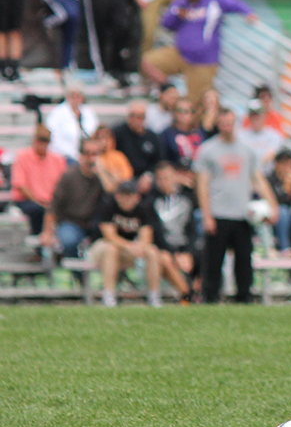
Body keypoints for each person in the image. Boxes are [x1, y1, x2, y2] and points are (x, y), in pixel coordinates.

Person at [194, 105, 278, 304]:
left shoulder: (247, 151)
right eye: (223, 123)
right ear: (218, 125)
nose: (227, 127)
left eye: (230, 123)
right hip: (218, 213)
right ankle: (210, 297)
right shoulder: (208, 150)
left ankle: (244, 296)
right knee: (213, 260)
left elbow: (258, 179)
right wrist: (207, 215)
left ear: (236, 124)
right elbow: (202, 185)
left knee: (244, 260)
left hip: (242, 213)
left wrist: (272, 205)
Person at [141, 0, 257, 106]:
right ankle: (166, 89)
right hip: (180, 53)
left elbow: (235, 4)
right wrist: (178, 17)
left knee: (195, 102)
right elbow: (166, 24)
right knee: (146, 61)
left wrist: (249, 13)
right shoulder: (181, 3)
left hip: (204, 61)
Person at [92, 179, 181, 308]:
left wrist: (140, 247)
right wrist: (129, 246)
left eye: (130, 195)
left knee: (152, 251)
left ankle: (154, 296)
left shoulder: (143, 210)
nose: (127, 199)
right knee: (111, 249)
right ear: (117, 196)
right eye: (124, 195)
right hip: (103, 247)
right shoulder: (108, 207)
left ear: (137, 197)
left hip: (129, 249)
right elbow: (109, 236)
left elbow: (146, 235)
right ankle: (109, 295)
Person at [39, 137, 105, 259]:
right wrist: (47, 232)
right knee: (69, 240)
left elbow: (116, 195)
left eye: (95, 154)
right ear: (81, 155)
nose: (91, 158)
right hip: (71, 221)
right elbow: (54, 206)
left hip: (96, 223)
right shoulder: (69, 176)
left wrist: (103, 174)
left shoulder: (103, 176)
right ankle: (75, 272)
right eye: (87, 153)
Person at [149, 161, 201, 301]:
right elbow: (156, 233)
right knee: (164, 258)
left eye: (167, 177)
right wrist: (175, 254)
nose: (163, 182)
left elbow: (192, 230)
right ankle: (187, 294)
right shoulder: (151, 201)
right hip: (166, 248)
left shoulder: (187, 198)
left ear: (175, 177)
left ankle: (197, 292)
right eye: (160, 178)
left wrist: (189, 253)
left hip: (186, 245)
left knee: (208, 254)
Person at [10, 124, 66, 235]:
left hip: (52, 201)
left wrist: (53, 201)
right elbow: (20, 185)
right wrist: (39, 200)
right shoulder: (23, 157)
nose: (42, 144)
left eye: (45, 141)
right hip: (29, 200)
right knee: (38, 210)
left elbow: (63, 184)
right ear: (34, 140)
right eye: (40, 140)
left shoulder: (57, 159)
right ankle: (38, 238)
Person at [113, 100, 162, 194]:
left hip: (145, 177)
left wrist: (148, 176)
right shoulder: (117, 133)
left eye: (140, 116)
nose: (136, 119)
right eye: (132, 115)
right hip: (122, 177)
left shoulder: (152, 137)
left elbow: (157, 161)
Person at [44, 83, 99, 163]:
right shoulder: (56, 113)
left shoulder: (89, 112)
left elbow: (95, 132)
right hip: (64, 156)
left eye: (79, 96)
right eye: (73, 96)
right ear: (67, 97)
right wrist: (74, 155)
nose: (76, 99)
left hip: (87, 154)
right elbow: (54, 139)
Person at [159, 97, 206, 183]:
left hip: (199, 176)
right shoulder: (166, 134)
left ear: (192, 114)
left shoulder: (200, 132)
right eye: (179, 111)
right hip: (176, 177)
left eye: (186, 111)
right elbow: (163, 161)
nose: (182, 115)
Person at [237, 101, 283, 171]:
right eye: (253, 115)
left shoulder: (274, 136)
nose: (256, 118)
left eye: (258, 114)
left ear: (264, 115)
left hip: (266, 174)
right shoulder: (240, 135)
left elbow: (270, 155)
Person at [92, 125, 134, 194]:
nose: (103, 141)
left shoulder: (118, 156)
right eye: (99, 138)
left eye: (106, 138)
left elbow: (127, 176)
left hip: (119, 192)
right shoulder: (93, 157)